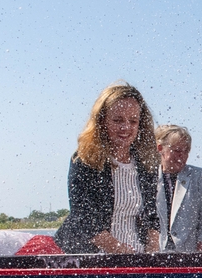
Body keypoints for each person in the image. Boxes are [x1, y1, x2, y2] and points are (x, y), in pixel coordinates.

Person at [56, 83, 161, 254]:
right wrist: (122, 254)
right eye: (118, 120)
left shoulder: (146, 163)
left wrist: (150, 254)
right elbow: (84, 219)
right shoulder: (84, 160)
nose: (125, 127)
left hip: (134, 256)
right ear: (102, 120)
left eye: (133, 121)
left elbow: (152, 216)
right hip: (90, 258)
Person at [155, 125, 202, 252]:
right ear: (160, 148)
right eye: (177, 150)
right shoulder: (148, 177)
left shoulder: (199, 176)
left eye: (186, 151)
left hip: (188, 253)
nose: (182, 155)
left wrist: (201, 252)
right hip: (156, 252)